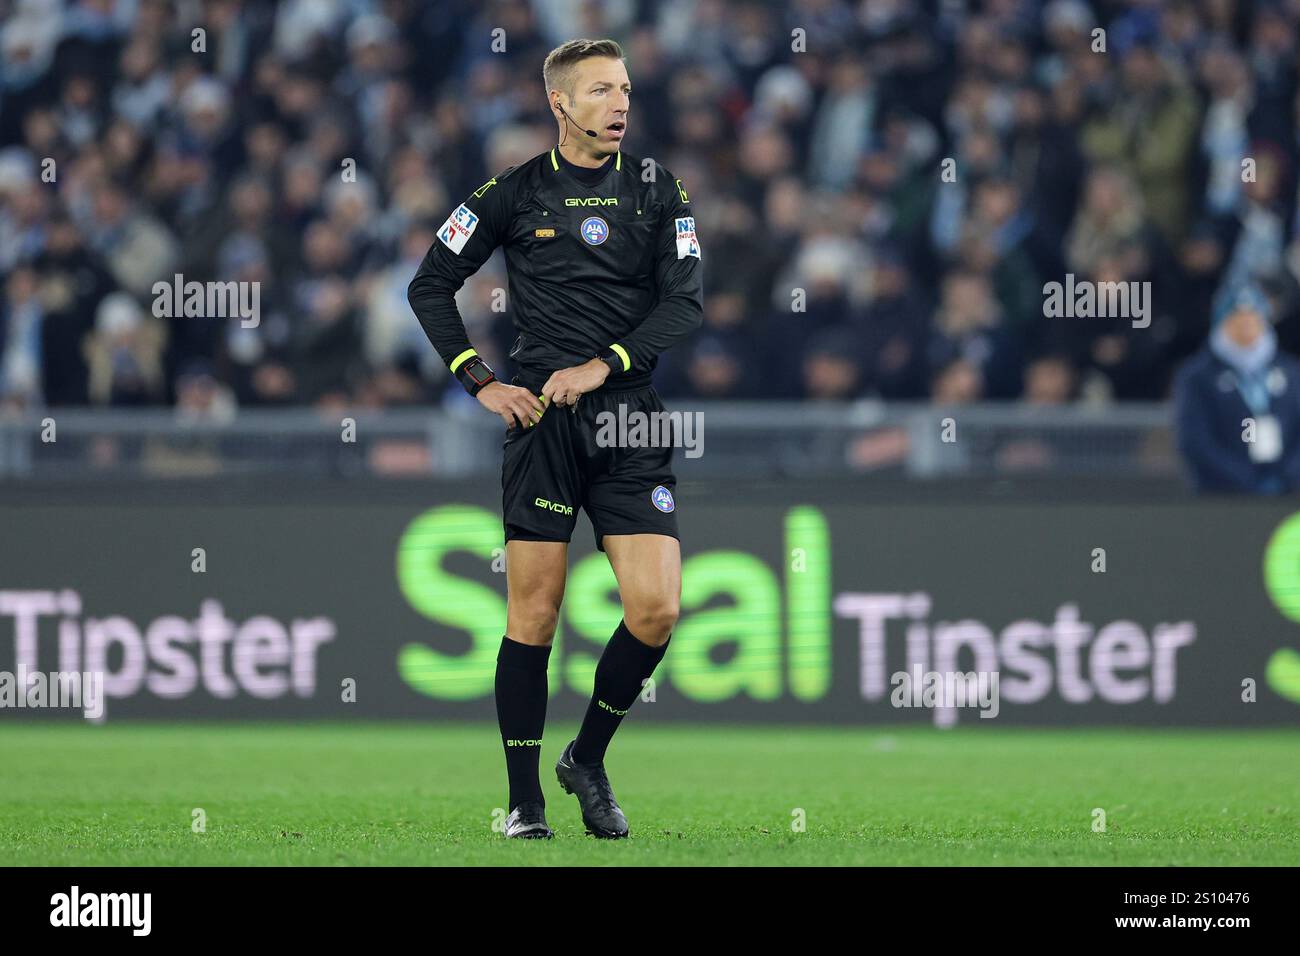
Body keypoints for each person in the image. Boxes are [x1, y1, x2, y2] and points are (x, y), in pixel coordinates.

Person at [407, 39, 703, 839]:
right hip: (541, 424)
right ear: (560, 105)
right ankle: (524, 802)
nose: (620, 105)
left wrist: (604, 364)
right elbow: (430, 283)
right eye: (602, 91)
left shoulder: (658, 189)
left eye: (627, 91)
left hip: (629, 416)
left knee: (657, 609)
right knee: (533, 616)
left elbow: (685, 304)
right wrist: (479, 379)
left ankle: (588, 757)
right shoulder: (511, 192)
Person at [1173, 283, 1300, 494]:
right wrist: (1242, 478)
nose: (1246, 326)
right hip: (1220, 495)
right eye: (1238, 319)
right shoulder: (1198, 376)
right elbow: (1195, 440)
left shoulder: (1290, 371)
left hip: (1286, 492)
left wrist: (1288, 475)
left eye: (1253, 318)